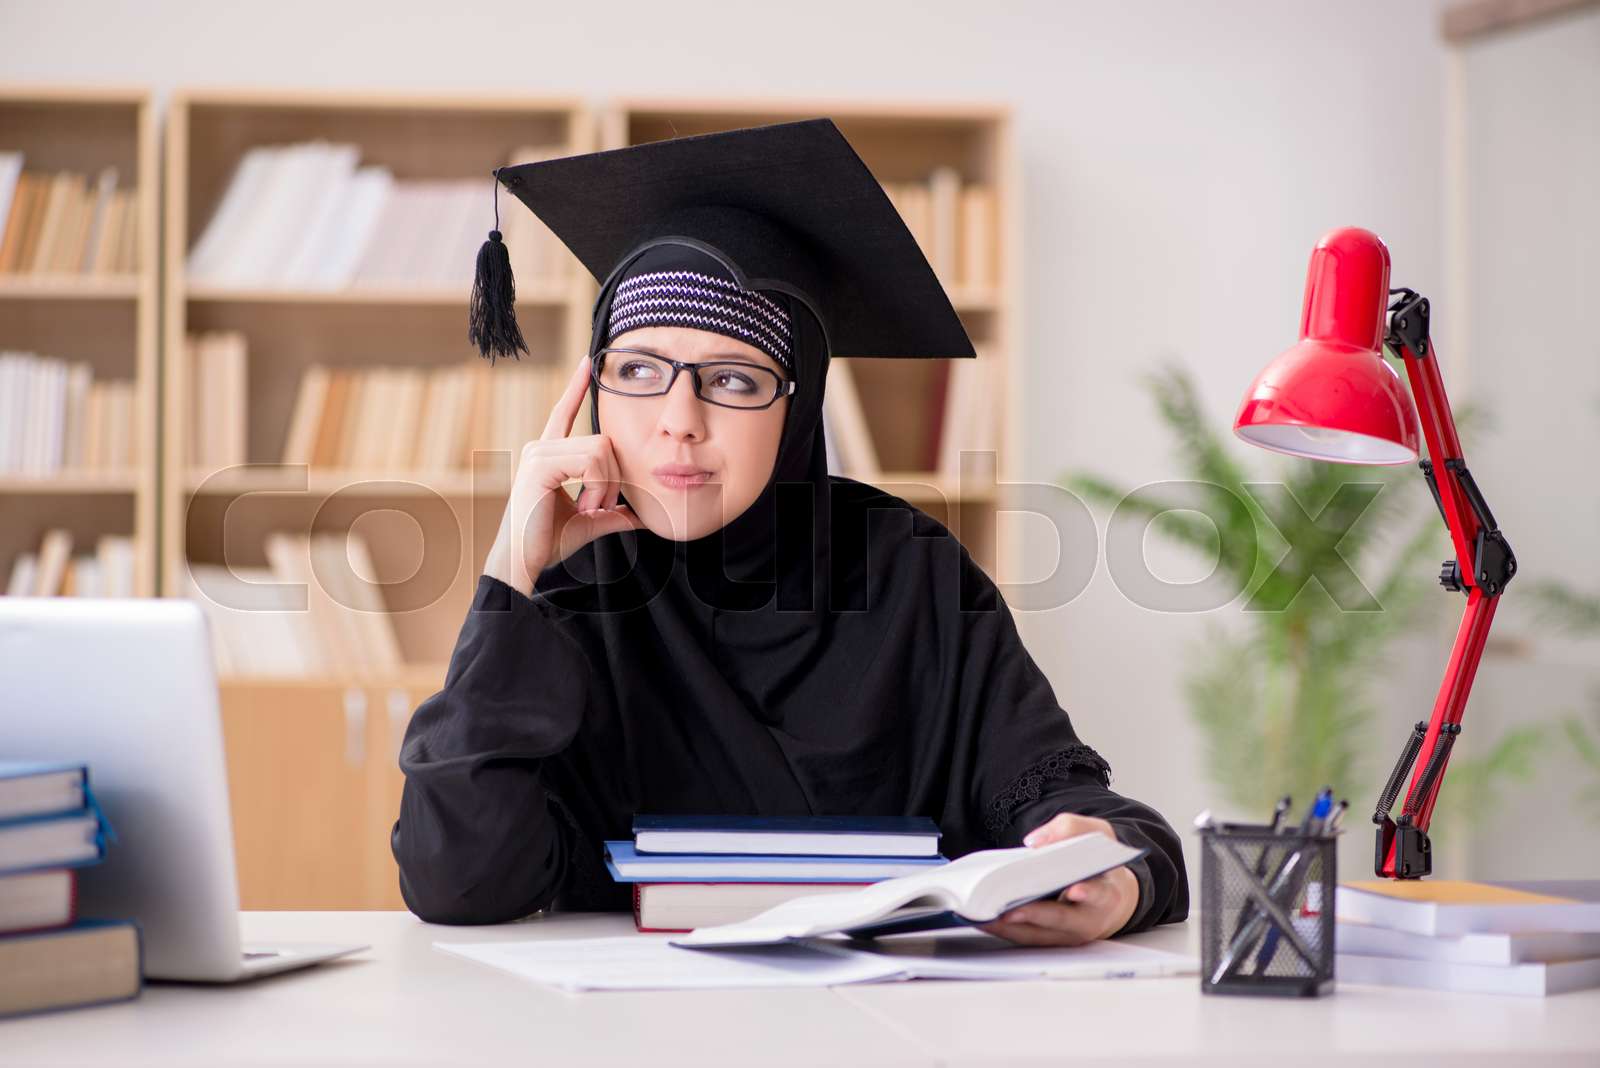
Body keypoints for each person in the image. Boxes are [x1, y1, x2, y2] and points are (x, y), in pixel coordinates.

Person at [391, 119, 1188, 945]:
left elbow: (1088, 820)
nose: (678, 422)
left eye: (733, 379)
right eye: (637, 370)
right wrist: (508, 575)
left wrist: (1117, 875)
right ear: (591, 389)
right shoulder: (571, 601)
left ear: (798, 411)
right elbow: (459, 880)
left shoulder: (916, 576)